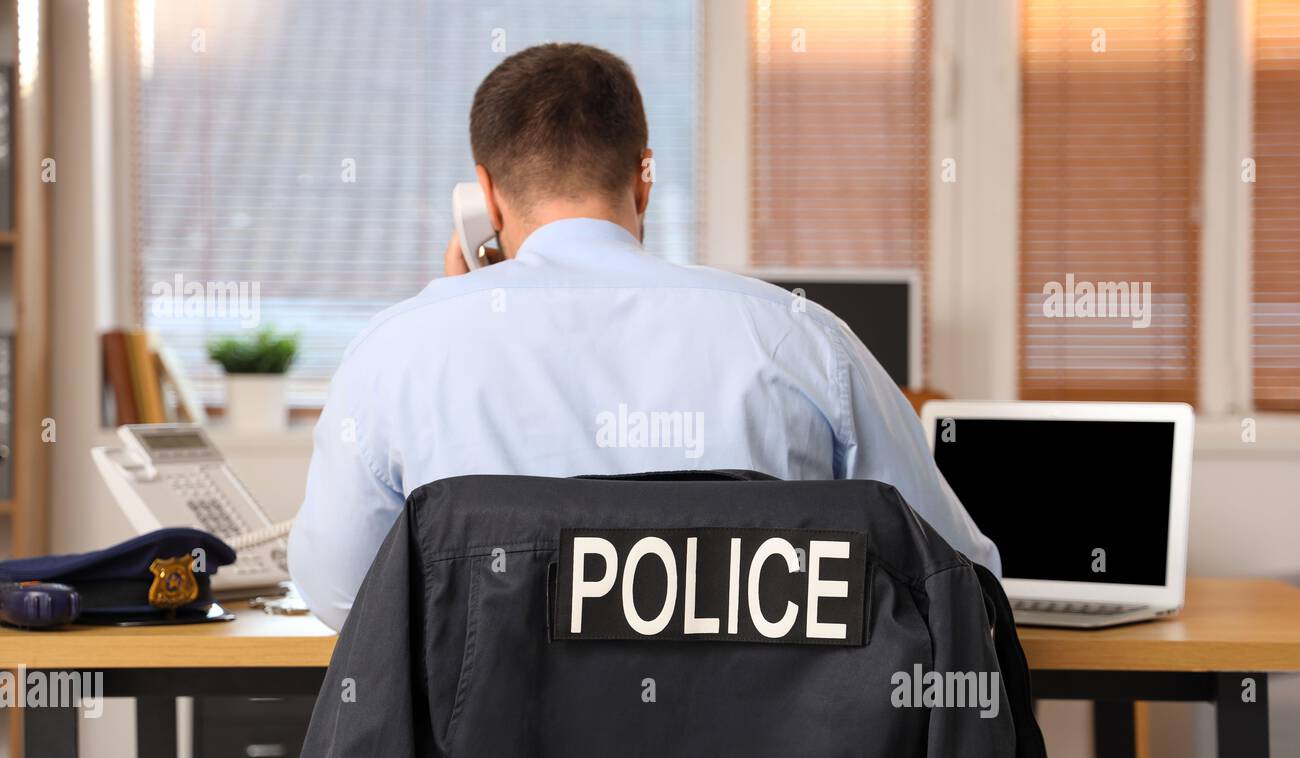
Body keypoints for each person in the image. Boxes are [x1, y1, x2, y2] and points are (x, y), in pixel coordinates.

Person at [288, 42, 998, 632]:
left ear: (484, 193)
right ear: (643, 176)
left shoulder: (398, 353)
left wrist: (460, 297)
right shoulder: (801, 341)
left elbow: (340, 594)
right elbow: (964, 579)